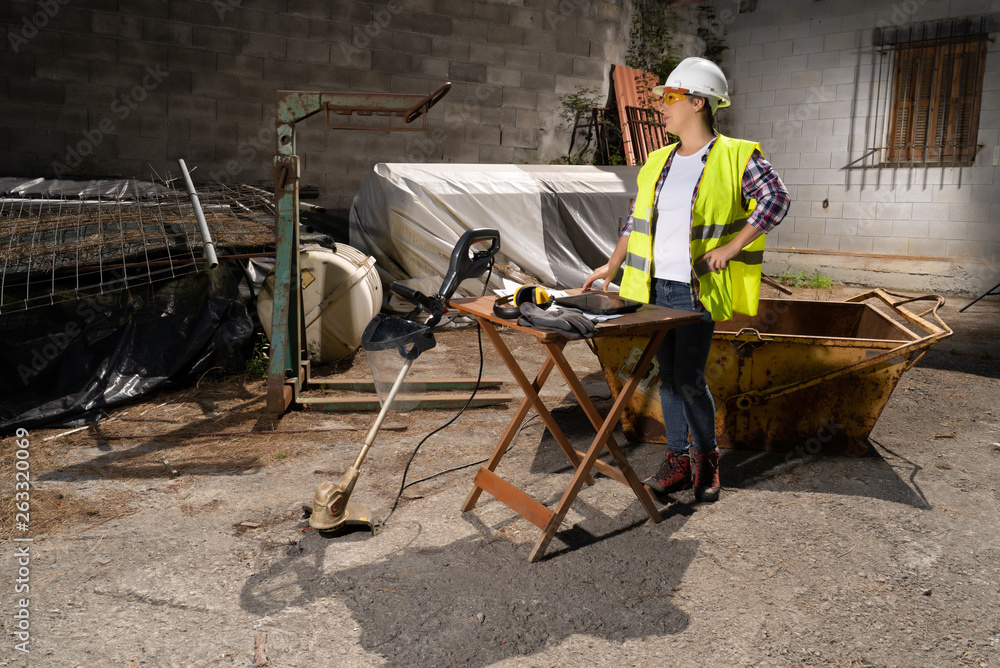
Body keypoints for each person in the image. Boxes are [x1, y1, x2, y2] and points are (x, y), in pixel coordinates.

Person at [583, 57, 790, 502]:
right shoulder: (658, 161)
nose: (663, 108)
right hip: (655, 288)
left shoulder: (737, 156)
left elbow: (776, 199)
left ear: (697, 102)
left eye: (671, 99)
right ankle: (678, 459)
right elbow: (636, 220)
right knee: (666, 378)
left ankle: (707, 461)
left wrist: (732, 248)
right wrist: (612, 264)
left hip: (693, 289)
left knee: (689, 379)